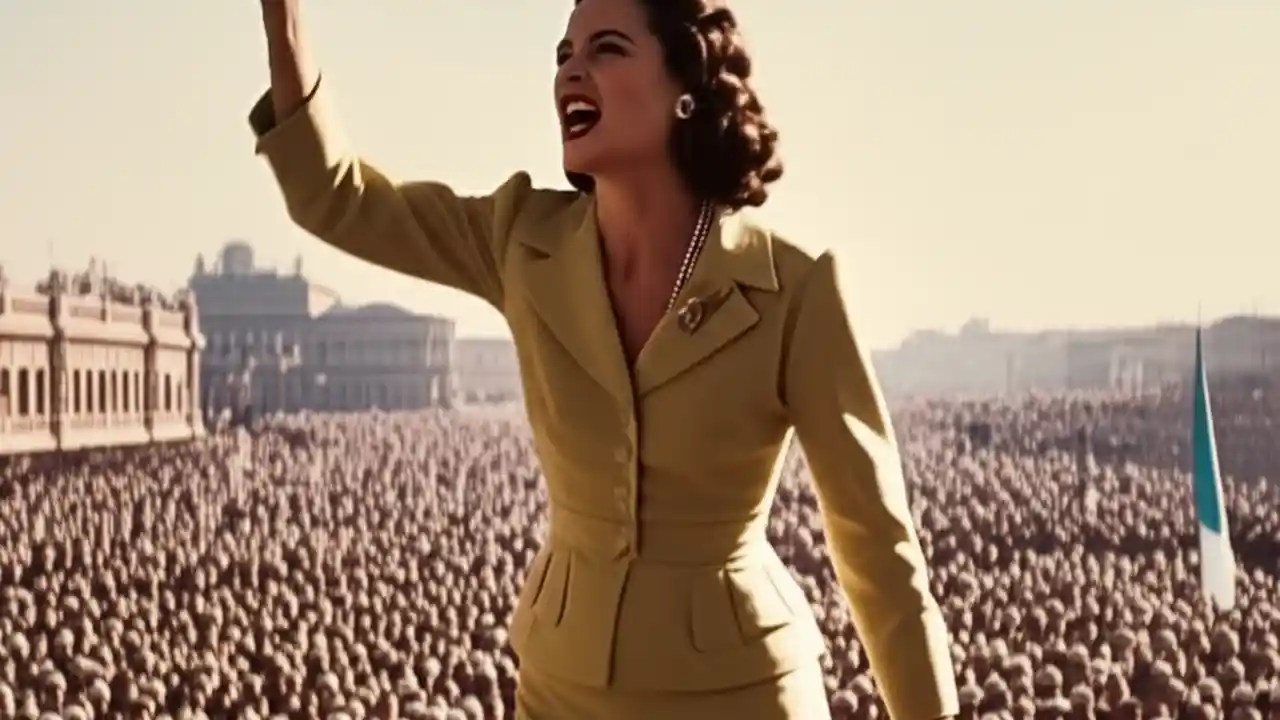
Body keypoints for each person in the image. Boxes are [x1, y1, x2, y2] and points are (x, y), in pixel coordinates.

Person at [248, 0, 959, 717]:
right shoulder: (519, 241)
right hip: (562, 689)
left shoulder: (793, 291)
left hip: (741, 694)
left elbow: (880, 556)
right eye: (563, 57)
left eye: (606, 50)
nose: (571, 74)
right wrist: (285, 22)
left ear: (688, 86)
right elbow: (334, 198)